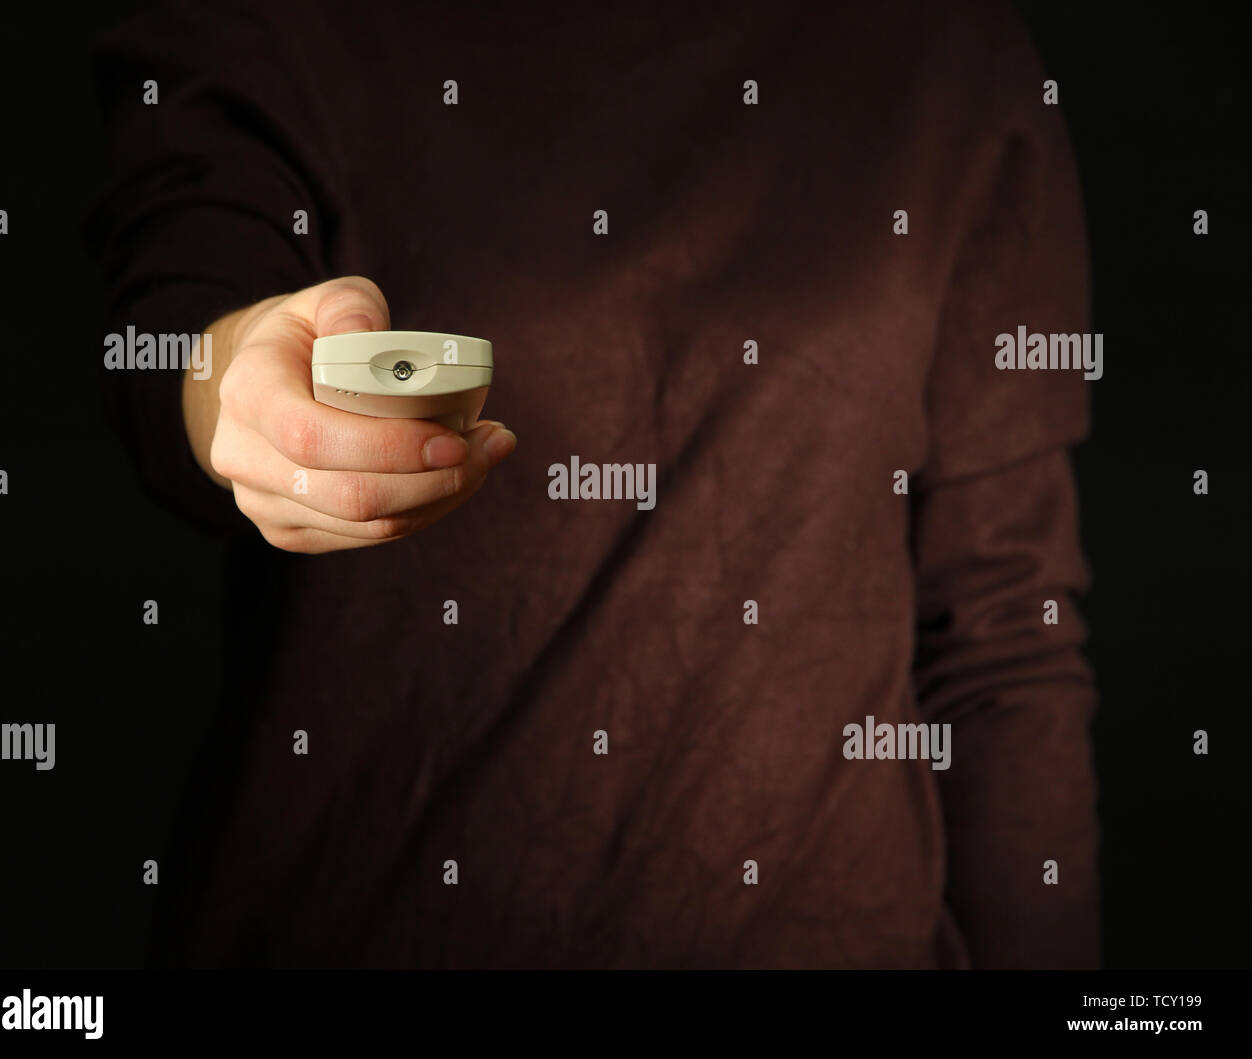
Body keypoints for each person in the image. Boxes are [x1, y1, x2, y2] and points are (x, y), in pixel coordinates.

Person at [84, 0, 1101, 967]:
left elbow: (1003, 629)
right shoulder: (294, 28)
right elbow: (185, 300)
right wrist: (237, 395)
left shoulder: (945, 52)